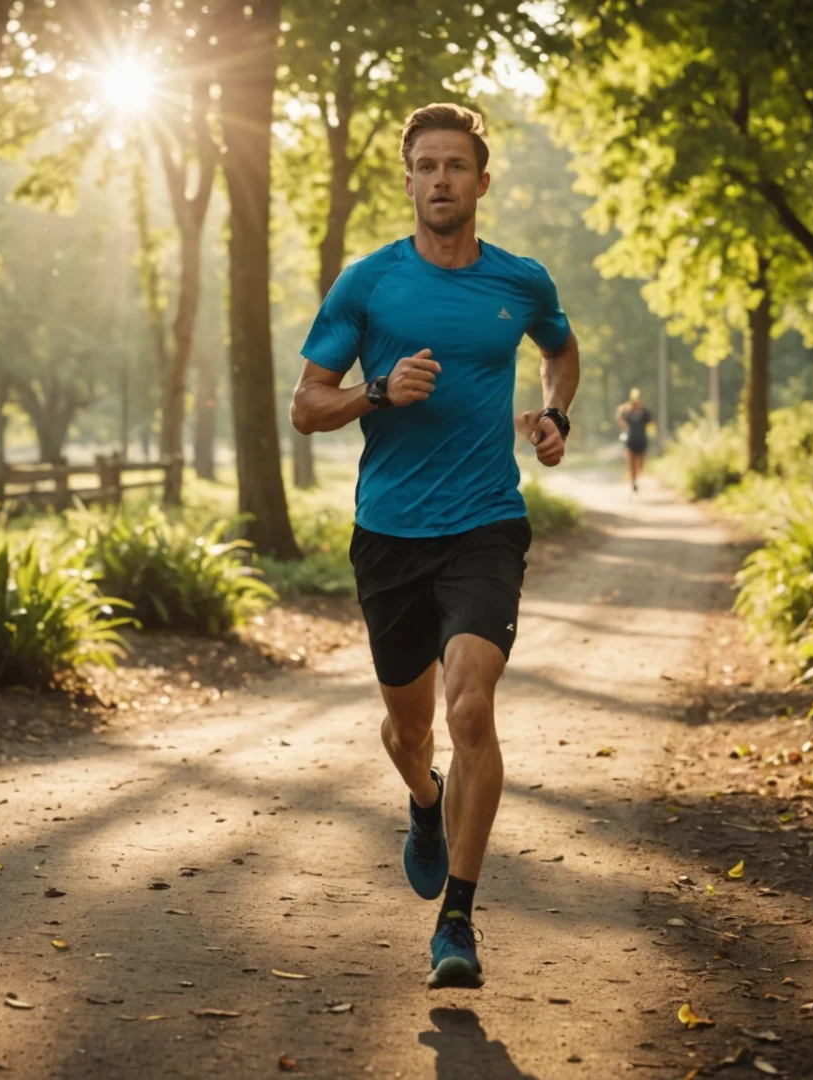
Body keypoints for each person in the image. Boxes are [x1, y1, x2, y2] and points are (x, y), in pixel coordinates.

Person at [288, 103, 580, 990]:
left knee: (470, 708)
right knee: (411, 731)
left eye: (457, 165)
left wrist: (554, 413)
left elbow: (562, 352)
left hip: (487, 524)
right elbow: (306, 406)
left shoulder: (521, 281)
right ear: (408, 179)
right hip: (389, 535)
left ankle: (457, 919)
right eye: (427, 165)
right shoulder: (368, 285)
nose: (442, 179)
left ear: (482, 181)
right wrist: (377, 391)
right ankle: (424, 802)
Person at [615, 389, 654, 493]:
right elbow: (621, 421)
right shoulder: (628, 412)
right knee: (630, 461)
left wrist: (652, 432)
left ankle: (635, 478)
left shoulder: (645, 413)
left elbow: (652, 423)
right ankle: (633, 481)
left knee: (639, 464)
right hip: (630, 440)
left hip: (641, 440)